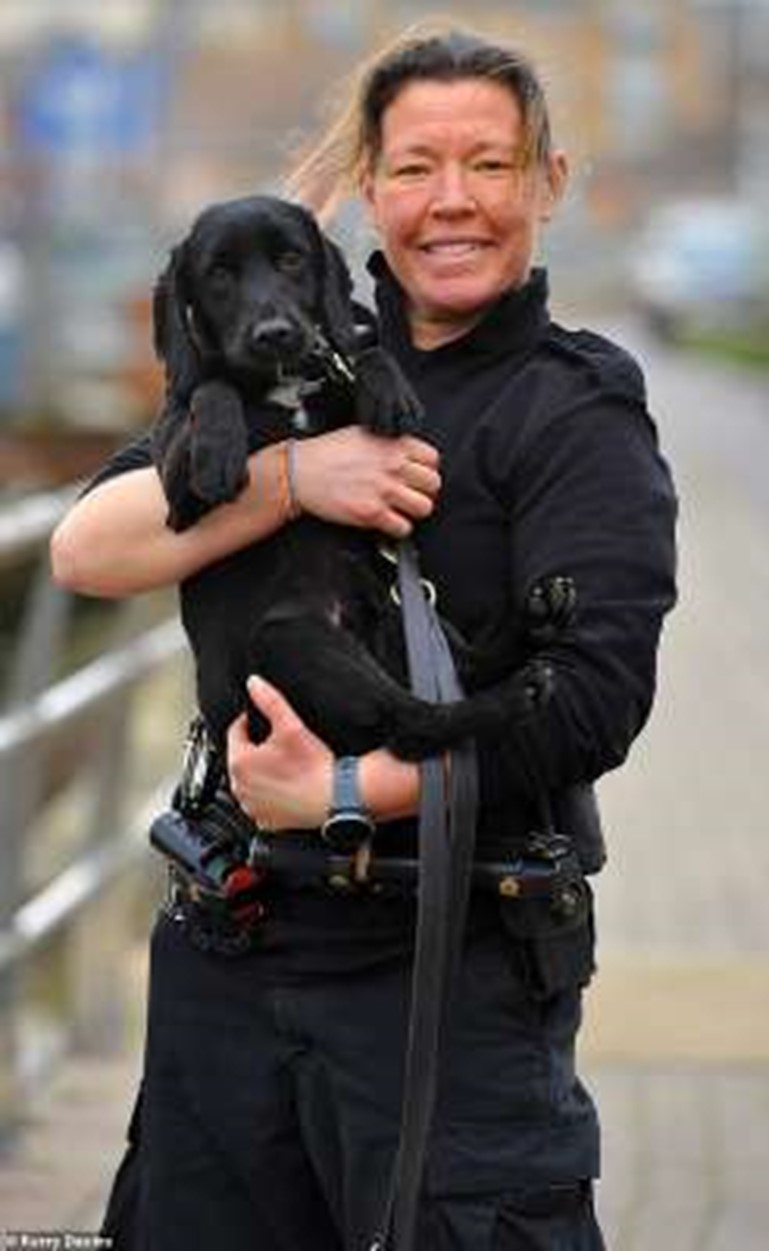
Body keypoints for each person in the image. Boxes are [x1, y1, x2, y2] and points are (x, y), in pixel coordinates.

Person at [50, 23, 677, 1251]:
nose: (453, 202)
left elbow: (594, 702)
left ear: (546, 183)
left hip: (446, 973)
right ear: (367, 190)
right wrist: (293, 479)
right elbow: (89, 547)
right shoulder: (293, 373)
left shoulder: (574, 405)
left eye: (490, 167)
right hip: (229, 960)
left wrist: (339, 791)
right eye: (416, 167)